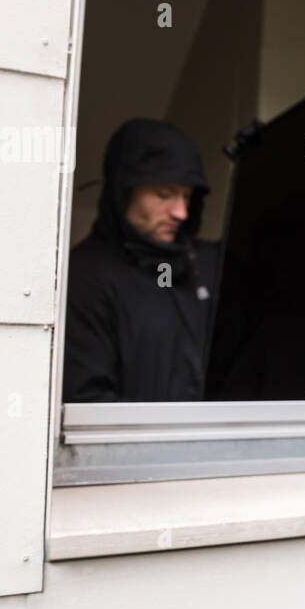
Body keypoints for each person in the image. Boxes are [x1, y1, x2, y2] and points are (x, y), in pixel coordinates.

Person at [62, 118, 221, 402]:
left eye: (187, 196)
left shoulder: (201, 265)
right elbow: (87, 404)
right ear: (124, 192)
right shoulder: (86, 276)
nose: (180, 212)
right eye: (165, 194)